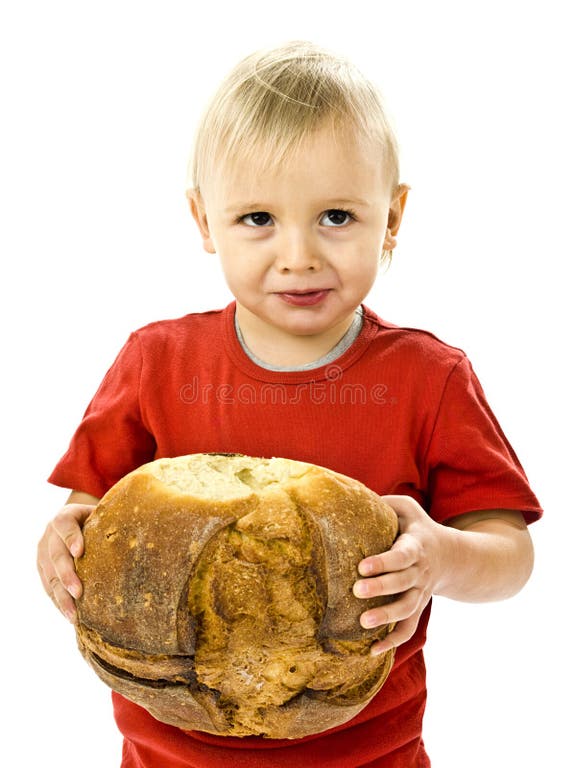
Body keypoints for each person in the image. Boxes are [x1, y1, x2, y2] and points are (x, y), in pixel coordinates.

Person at [37, 41, 542, 768]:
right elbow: (87, 517)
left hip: (370, 756)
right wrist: (57, 546)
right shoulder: (155, 363)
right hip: (167, 758)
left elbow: (511, 553)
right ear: (204, 220)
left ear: (392, 217)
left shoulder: (430, 379)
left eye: (337, 216)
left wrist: (441, 557)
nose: (299, 254)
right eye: (257, 219)